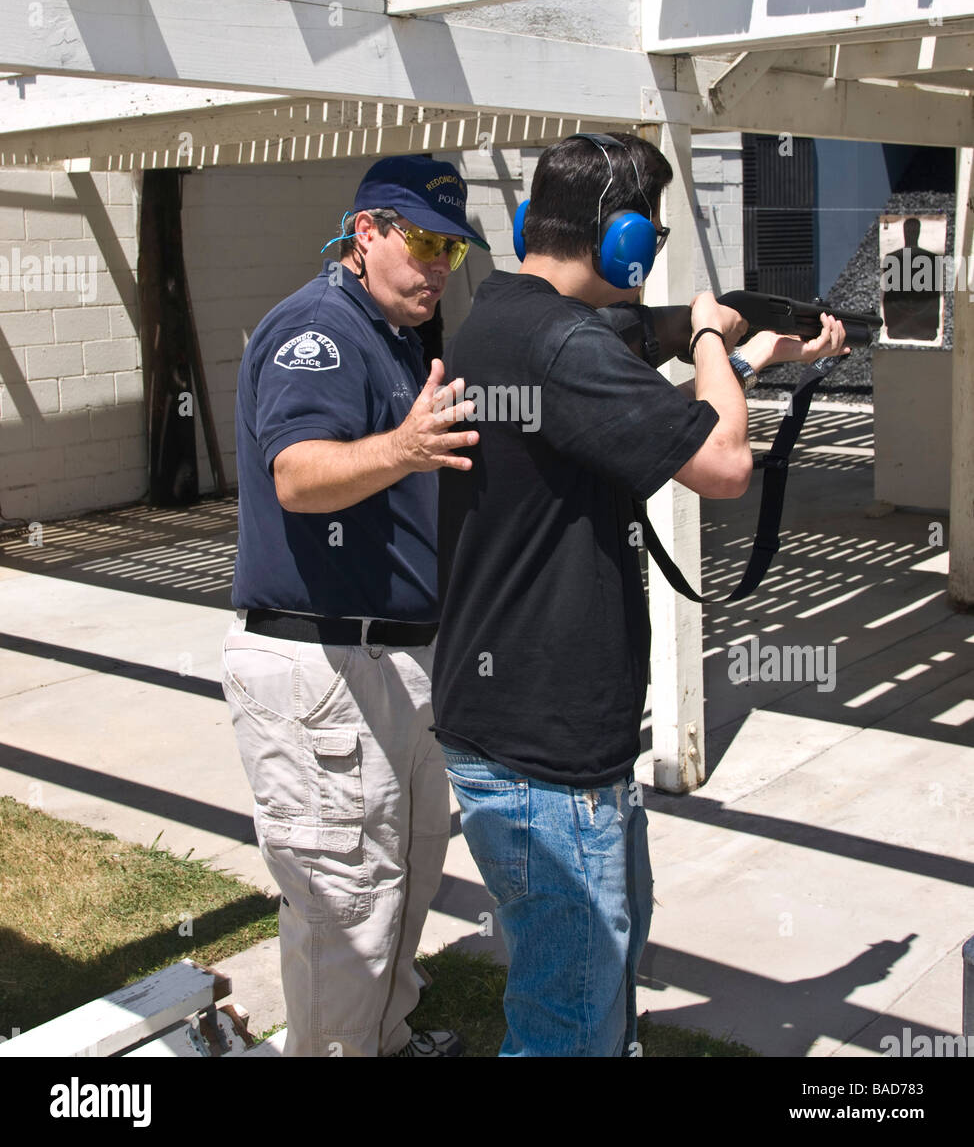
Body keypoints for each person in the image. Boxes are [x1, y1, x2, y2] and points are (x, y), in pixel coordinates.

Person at [432, 131, 847, 1057]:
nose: (652, 249)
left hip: (524, 735)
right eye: (650, 234)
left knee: (591, 1000)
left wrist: (747, 343)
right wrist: (707, 336)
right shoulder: (563, 346)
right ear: (622, 240)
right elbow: (725, 464)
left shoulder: (502, 314)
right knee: (569, 1028)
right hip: (547, 757)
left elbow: (623, 360)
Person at [222, 155, 488, 1057]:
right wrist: (407, 448)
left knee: (405, 880)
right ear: (365, 232)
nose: (439, 265)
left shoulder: (403, 329)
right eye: (421, 241)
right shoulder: (319, 332)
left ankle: (386, 1040)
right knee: (347, 907)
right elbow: (297, 476)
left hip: (395, 660)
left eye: (451, 246)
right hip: (325, 668)